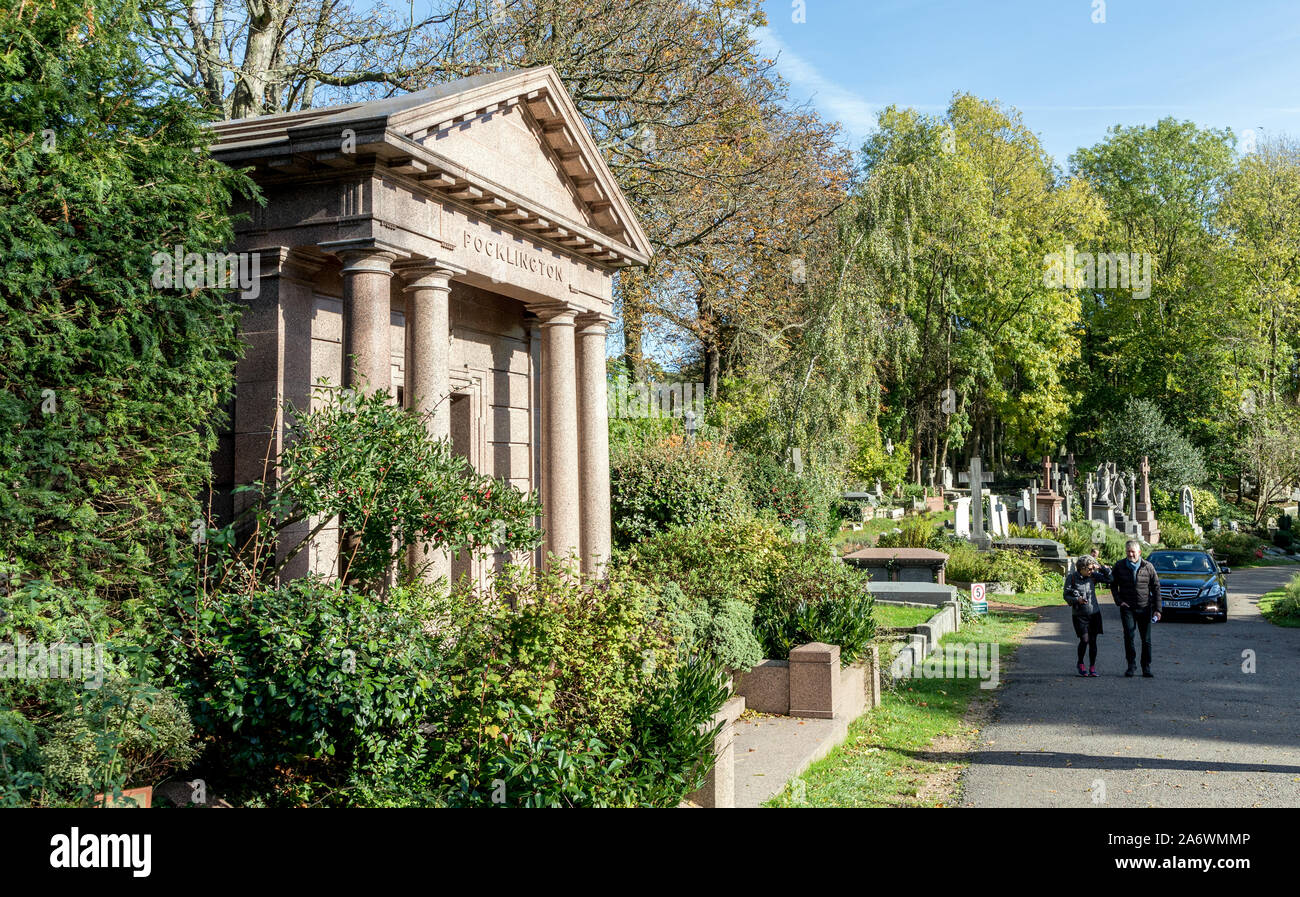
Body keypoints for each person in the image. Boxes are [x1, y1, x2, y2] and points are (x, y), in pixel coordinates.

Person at [1110, 540, 1161, 677]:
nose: (1130, 554)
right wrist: (1119, 602)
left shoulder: (1148, 567)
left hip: (1145, 608)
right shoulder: (1120, 566)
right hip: (1128, 608)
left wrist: (1158, 609)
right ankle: (1131, 666)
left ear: (1139, 552)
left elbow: (1156, 588)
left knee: (1146, 639)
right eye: (1128, 551)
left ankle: (1146, 667)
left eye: (1133, 552)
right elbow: (1113, 585)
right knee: (1129, 636)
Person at [1064, 555, 1111, 677]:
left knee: (1093, 641)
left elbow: (1110, 579)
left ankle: (1092, 667)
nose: (1091, 571)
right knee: (1084, 640)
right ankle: (1080, 663)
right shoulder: (1072, 578)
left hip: (1094, 614)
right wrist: (1076, 599)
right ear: (1081, 568)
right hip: (1080, 615)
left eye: (1092, 569)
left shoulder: (1093, 576)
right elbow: (1066, 595)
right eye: (1089, 569)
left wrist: (1100, 568)